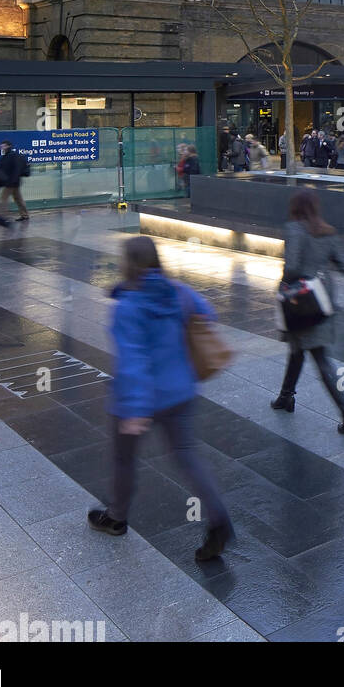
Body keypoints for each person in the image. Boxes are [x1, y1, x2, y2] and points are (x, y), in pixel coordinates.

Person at [88, 236, 232, 562]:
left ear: (128, 264)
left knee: (124, 459)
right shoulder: (177, 291)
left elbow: (133, 361)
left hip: (138, 401)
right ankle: (219, 520)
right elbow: (207, 312)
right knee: (187, 456)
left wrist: (136, 410)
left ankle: (116, 517)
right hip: (181, 392)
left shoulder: (127, 307)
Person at [271, 191, 344, 430]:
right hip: (322, 299)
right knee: (297, 348)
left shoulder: (294, 229)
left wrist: (283, 284)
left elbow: (293, 266)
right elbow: (343, 261)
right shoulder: (326, 231)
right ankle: (285, 397)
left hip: (301, 301)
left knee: (319, 356)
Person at [0, 140, 31, 221]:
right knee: (18, 199)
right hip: (13, 182)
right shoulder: (7, 156)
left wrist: (12, 180)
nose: (1, 147)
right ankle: (25, 215)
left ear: (8, 146)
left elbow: (16, 169)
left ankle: (2, 216)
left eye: (3, 146)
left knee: (3, 198)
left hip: (11, 182)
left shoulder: (12, 156)